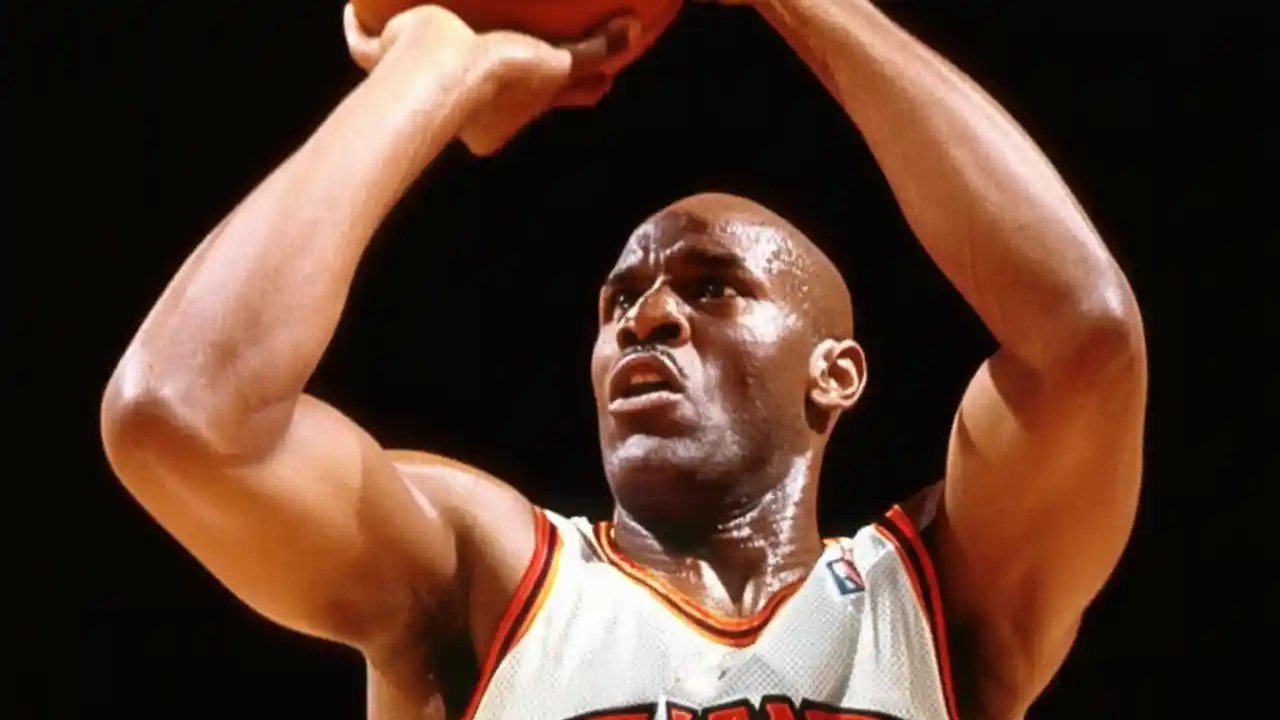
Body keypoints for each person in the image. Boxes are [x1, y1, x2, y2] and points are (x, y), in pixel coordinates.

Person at [99, 1, 1148, 718]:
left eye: (709, 285)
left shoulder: (932, 598)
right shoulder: (485, 575)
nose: (644, 318)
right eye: (616, 303)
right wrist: (436, 67)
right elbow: (181, 414)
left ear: (833, 374)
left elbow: (1085, 340)